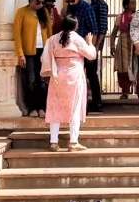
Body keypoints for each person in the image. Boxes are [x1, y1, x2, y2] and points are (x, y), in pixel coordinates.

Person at [41, 15, 97, 152]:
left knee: (55, 108)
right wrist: (90, 42)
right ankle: (73, 142)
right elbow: (91, 55)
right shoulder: (78, 39)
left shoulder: (53, 39)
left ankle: (53, 142)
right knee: (75, 107)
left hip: (57, 76)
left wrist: (49, 73)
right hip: (74, 76)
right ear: (75, 26)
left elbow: (44, 58)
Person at [62, 0, 104, 113]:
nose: (70, 3)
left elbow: (94, 31)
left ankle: (97, 104)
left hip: (86, 47)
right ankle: (78, 105)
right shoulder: (69, 7)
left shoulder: (87, 9)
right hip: (72, 50)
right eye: (68, 1)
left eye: (72, 0)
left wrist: (92, 49)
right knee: (76, 78)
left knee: (91, 76)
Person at [13, 0, 53, 117]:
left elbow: (49, 33)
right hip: (28, 52)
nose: (39, 5)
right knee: (30, 80)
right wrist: (20, 54)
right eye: (37, 2)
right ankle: (31, 108)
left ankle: (42, 107)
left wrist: (51, 52)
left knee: (41, 80)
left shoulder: (44, 12)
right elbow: (17, 34)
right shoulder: (21, 12)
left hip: (43, 51)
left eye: (42, 3)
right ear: (30, 0)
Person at [110, 0, 139, 99]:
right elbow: (114, 33)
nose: (134, 5)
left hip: (135, 44)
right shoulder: (120, 17)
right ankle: (125, 91)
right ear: (126, 5)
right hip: (123, 45)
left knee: (136, 67)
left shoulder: (138, 17)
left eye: (135, 3)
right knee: (123, 68)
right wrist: (112, 45)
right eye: (132, 3)